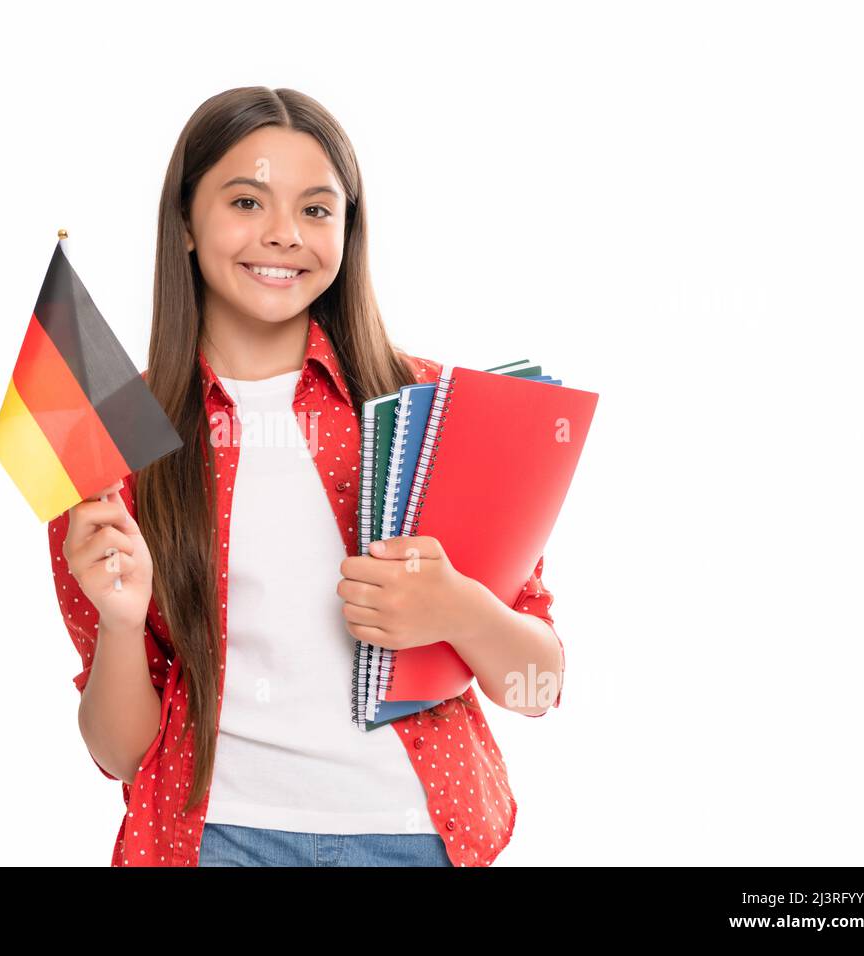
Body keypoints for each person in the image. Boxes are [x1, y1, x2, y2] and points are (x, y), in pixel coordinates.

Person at [47, 86, 564, 867]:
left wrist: (459, 609)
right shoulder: (112, 441)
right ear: (185, 222)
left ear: (348, 231)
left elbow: (540, 683)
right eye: (248, 201)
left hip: (417, 838)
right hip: (214, 841)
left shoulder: (434, 411)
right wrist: (122, 624)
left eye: (317, 210)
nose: (284, 235)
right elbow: (122, 755)